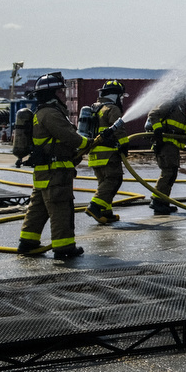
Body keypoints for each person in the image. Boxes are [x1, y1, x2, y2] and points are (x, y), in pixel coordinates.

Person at [17, 72, 89, 258]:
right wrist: (87, 143)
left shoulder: (42, 112)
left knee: (38, 209)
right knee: (61, 208)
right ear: (54, 93)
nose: (64, 94)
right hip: (55, 173)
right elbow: (70, 137)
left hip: (45, 173)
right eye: (61, 91)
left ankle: (28, 242)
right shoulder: (51, 114)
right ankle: (64, 248)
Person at [144, 88, 186, 215]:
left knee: (171, 173)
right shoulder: (170, 102)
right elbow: (153, 114)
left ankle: (163, 201)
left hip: (172, 145)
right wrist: (158, 130)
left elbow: (180, 127)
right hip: (165, 143)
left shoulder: (182, 106)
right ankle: (157, 201)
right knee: (168, 172)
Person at [85, 80, 129, 225]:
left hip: (94, 154)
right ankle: (95, 206)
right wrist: (124, 145)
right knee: (114, 180)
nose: (121, 100)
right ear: (115, 95)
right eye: (120, 97)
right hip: (108, 154)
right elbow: (119, 130)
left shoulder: (95, 108)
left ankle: (106, 212)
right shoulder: (112, 109)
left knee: (104, 182)